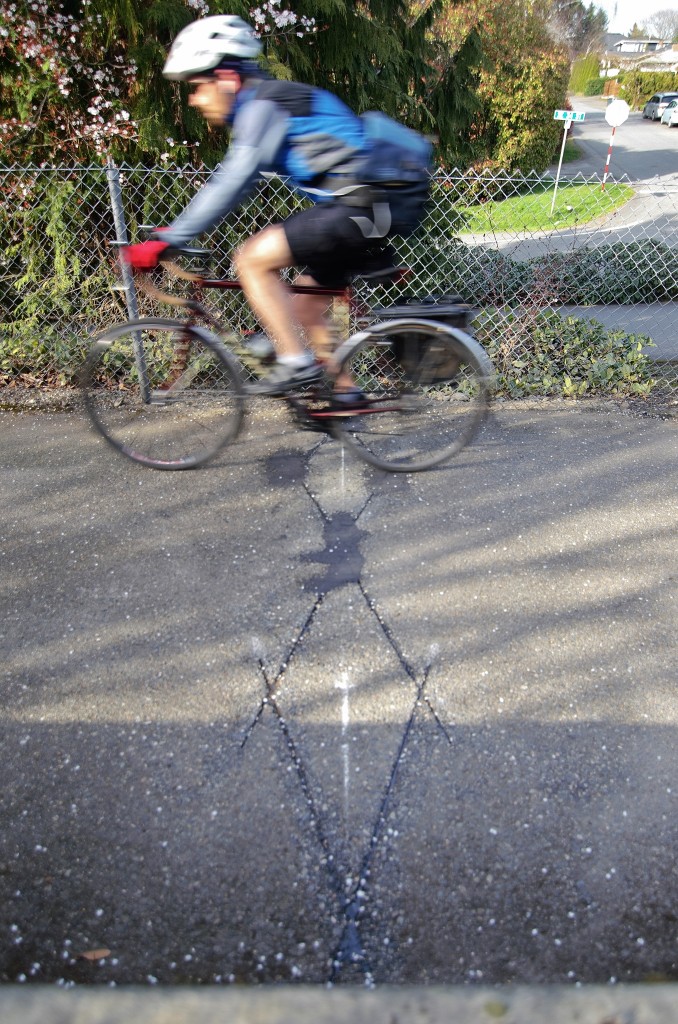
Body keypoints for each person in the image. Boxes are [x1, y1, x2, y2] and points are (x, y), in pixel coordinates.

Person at [123, 14, 430, 397]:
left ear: (228, 79)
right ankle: (345, 398)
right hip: (362, 209)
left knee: (251, 259)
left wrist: (170, 237)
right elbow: (240, 181)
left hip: (358, 205)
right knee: (305, 309)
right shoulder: (270, 104)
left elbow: (235, 178)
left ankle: (296, 365)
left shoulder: (263, 106)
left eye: (199, 86)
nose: (194, 99)